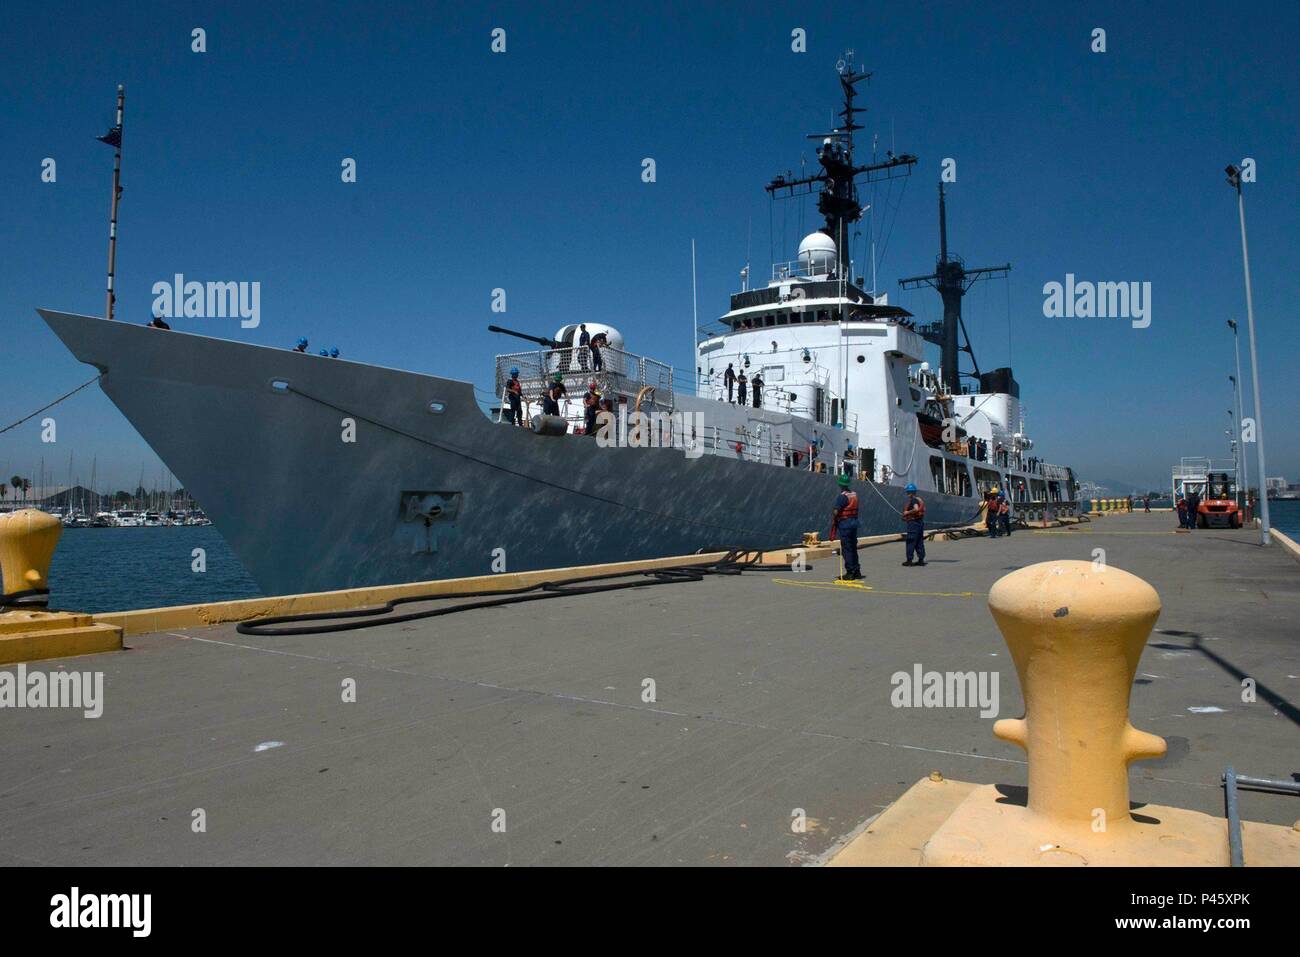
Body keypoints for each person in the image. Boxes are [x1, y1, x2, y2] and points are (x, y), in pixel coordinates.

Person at [832, 474, 862, 581]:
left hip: (845, 524)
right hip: (854, 523)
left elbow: (836, 511)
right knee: (853, 548)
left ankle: (850, 572)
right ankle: (857, 571)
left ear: (840, 485)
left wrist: (834, 517)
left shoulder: (842, 496)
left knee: (847, 549)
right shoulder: (854, 495)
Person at [902, 483, 926, 566]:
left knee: (911, 541)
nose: (907, 494)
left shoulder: (913, 500)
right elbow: (923, 509)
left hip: (913, 524)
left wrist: (907, 512)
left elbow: (916, 509)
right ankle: (921, 560)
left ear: (910, 492)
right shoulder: (919, 500)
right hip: (920, 523)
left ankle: (909, 560)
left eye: (907, 492)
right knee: (919, 542)